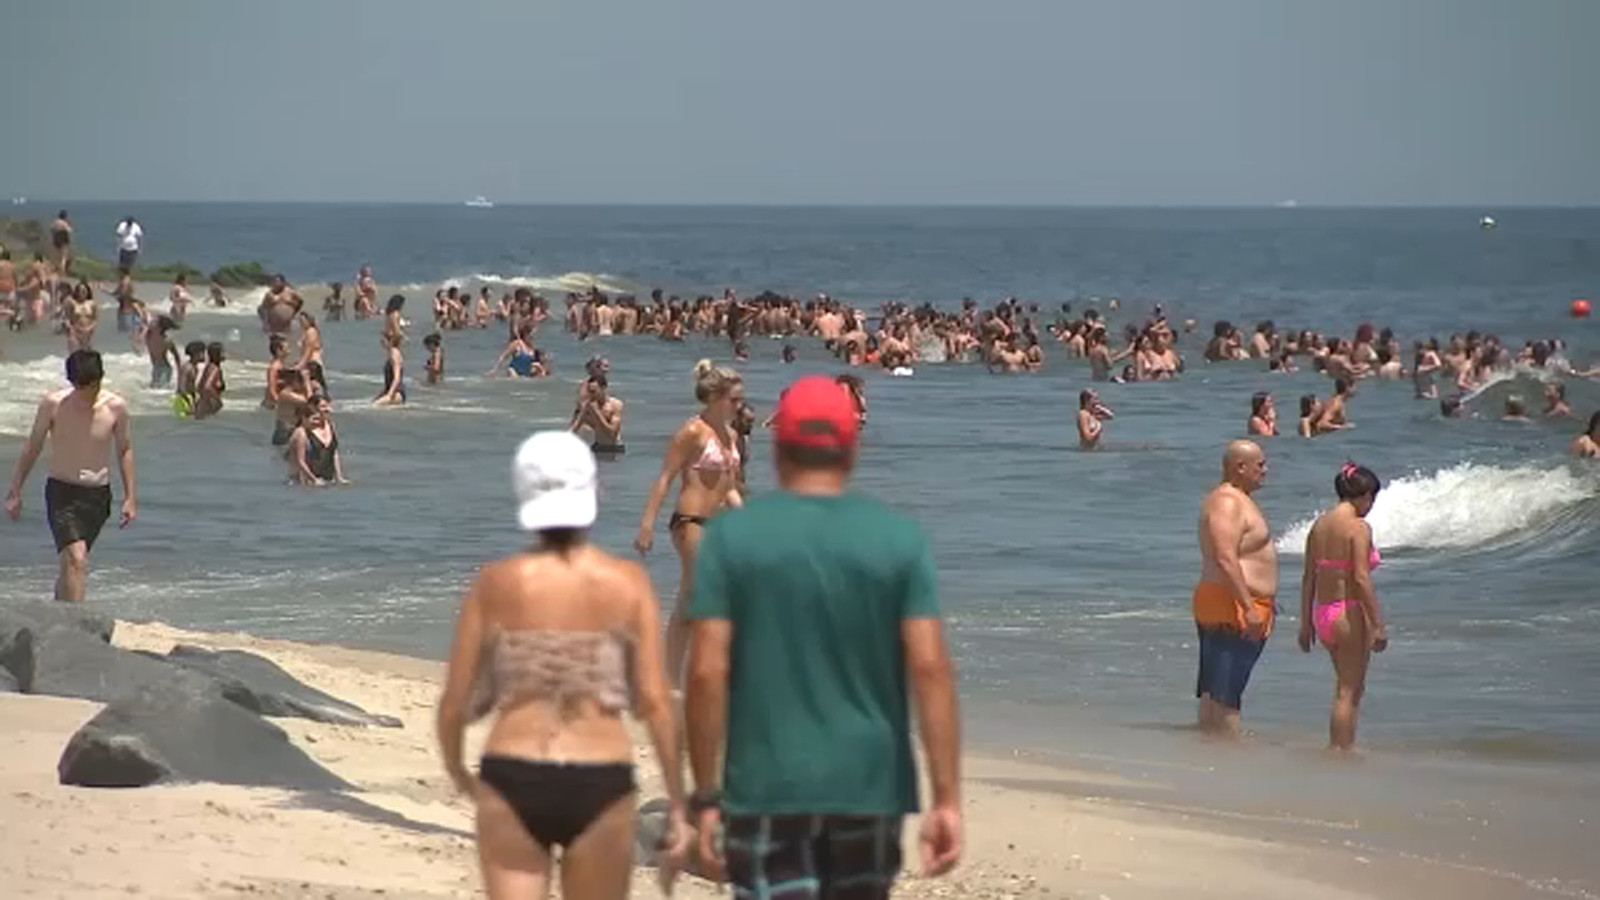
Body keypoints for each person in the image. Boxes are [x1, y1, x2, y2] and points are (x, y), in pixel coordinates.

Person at [684, 375, 962, 897]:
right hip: (869, 786)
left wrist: (705, 795)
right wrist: (946, 797)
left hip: (767, 783)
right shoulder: (899, 539)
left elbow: (705, 672)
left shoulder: (733, 540)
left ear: (778, 448)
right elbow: (930, 669)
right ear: (852, 447)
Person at [436, 431, 689, 899]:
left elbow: (455, 702)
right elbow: (655, 702)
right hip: (599, 774)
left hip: (514, 771)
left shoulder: (496, 584)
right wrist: (678, 801)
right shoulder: (627, 584)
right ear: (594, 491)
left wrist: (458, 771)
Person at [634, 359, 744, 686]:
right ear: (715, 398)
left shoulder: (731, 434)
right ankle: (676, 678)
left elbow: (729, 488)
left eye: (740, 400)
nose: (739, 406)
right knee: (699, 593)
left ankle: (669, 679)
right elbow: (665, 478)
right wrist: (647, 524)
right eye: (734, 399)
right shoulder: (692, 431)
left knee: (690, 600)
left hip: (720, 524)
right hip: (690, 521)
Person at [4, 350, 137, 601]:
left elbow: (124, 449)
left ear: (100, 379)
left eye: (91, 386)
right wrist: (15, 490)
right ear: (72, 382)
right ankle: (76, 625)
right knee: (76, 559)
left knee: (73, 564)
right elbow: (33, 446)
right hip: (62, 492)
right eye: (80, 386)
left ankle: (59, 612)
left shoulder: (116, 407)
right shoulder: (53, 404)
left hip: (98, 496)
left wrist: (130, 497)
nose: (85, 393)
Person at [1297, 462, 1388, 751]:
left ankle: (1338, 749)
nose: (1371, 506)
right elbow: (1361, 578)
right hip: (1347, 612)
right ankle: (1340, 751)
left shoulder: (1319, 525)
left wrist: (1305, 623)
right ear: (1365, 495)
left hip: (1322, 612)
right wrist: (1377, 624)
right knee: (1349, 691)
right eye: (1372, 498)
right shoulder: (1358, 528)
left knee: (1342, 688)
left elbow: (1308, 576)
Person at [1192, 440, 1276, 737]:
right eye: (1260, 465)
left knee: (1216, 692)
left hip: (1230, 601)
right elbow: (1225, 557)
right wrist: (1249, 607)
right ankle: (1227, 759)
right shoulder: (1227, 502)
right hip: (1232, 604)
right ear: (1240, 467)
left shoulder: (1234, 499)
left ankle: (1208, 753)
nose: (1265, 471)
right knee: (1227, 697)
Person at [50, 210, 73, 275]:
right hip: (63, 241)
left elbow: (51, 229)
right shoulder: (64, 223)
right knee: (63, 257)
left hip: (56, 240)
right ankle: (62, 270)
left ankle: (56, 268)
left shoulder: (55, 222)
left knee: (57, 256)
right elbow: (70, 230)